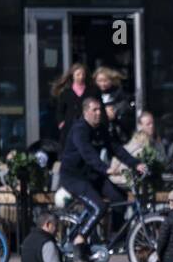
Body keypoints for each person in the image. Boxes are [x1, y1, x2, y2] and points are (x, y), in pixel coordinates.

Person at [58, 97, 146, 253]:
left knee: (119, 197)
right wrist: (105, 169)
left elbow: (116, 148)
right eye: (95, 110)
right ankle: (80, 238)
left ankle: (116, 238)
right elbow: (87, 153)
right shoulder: (79, 129)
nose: (99, 113)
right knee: (99, 207)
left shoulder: (101, 129)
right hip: (73, 177)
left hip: (93, 176)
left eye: (100, 109)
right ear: (86, 112)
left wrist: (135, 163)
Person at [53, 63, 98, 150]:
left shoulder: (92, 91)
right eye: (78, 74)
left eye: (83, 74)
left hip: (87, 125)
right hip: (69, 126)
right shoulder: (65, 92)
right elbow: (60, 110)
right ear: (72, 75)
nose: (81, 77)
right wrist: (61, 124)